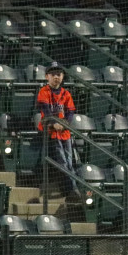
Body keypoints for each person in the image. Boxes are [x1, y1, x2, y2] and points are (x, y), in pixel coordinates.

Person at [35, 63, 80, 195]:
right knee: (63, 162)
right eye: (53, 74)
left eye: (59, 74)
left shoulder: (66, 93)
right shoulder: (44, 91)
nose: (56, 77)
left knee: (70, 163)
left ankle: (72, 189)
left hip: (64, 131)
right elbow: (46, 111)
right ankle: (72, 189)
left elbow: (71, 111)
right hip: (50, 131)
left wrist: (65, 124)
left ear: (63, 76)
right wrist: (54, 123)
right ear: (47, 76)